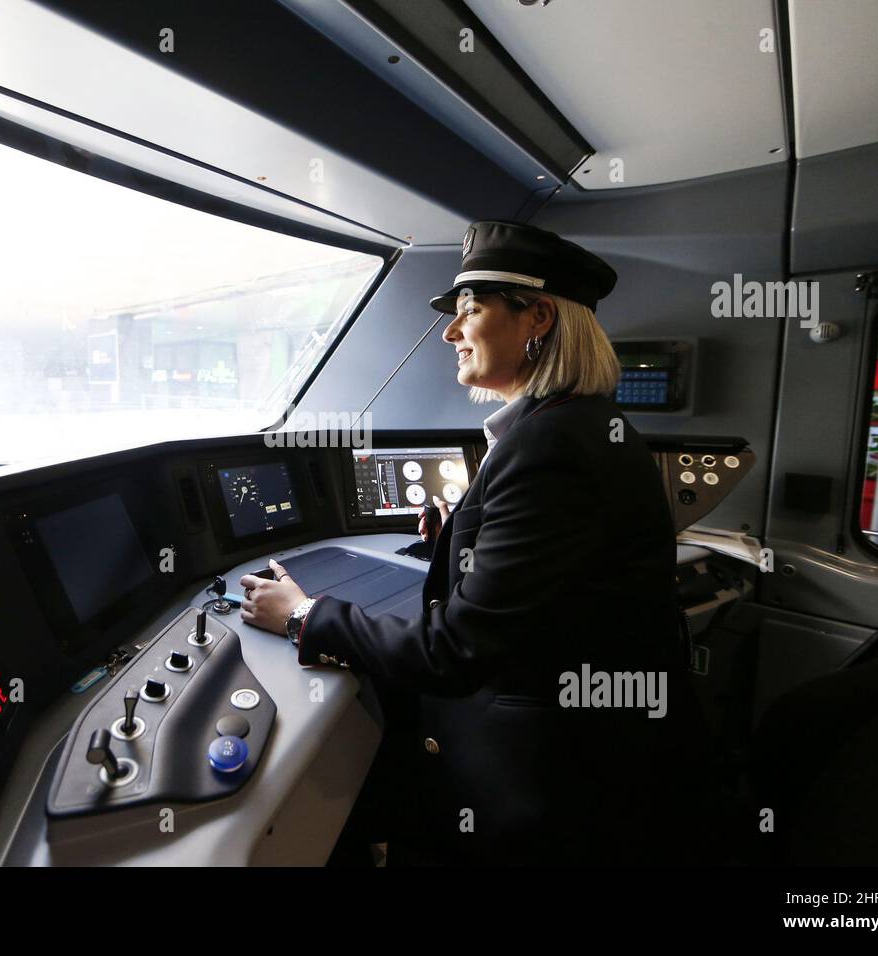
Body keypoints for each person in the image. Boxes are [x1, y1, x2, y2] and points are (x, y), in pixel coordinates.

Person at [240, 220, 717, 865]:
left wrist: (303, 614)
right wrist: (461, 532)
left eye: (470, 310)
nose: (451, 332)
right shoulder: (580, 423)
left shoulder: (549, 445)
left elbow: (457, 651)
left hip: (548, 778)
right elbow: (553, 576)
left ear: (538, 317)